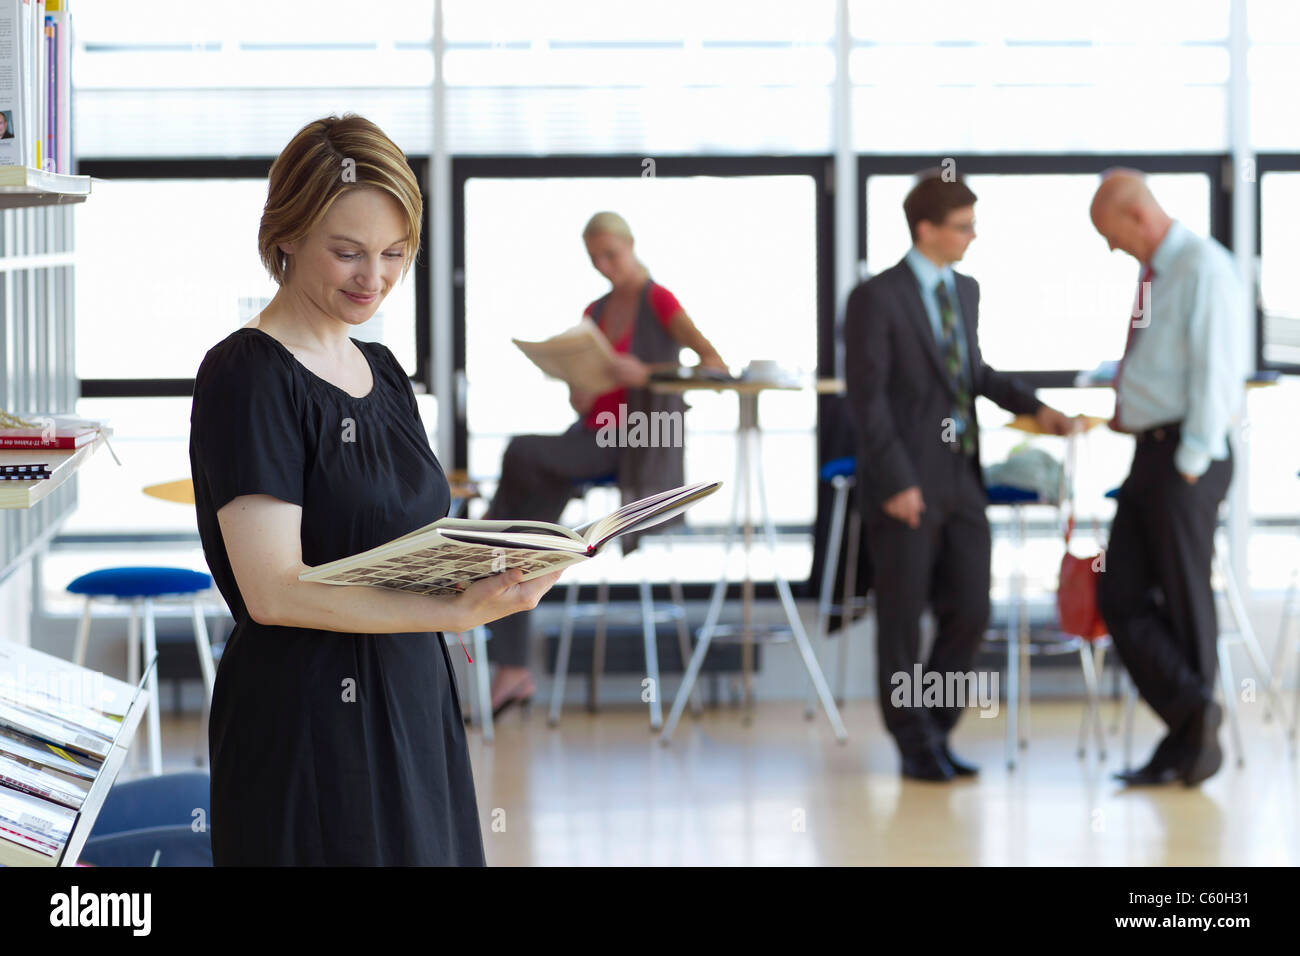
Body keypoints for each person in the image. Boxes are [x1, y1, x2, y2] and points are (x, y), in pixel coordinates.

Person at [189, 113, 563, 865]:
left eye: (395, 254)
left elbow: (403, 534)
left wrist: (486, 572)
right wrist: (449, 610)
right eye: (348, 252)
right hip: (306, 718)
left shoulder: (386, 372)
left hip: (414, 692)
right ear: (286, 236)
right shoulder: (248, 375)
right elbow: (274, 592)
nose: (374, 278)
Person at [843, 169, 1074, 782]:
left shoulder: (963, 290)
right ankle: (911, 742)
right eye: (963, 227)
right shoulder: (875, 297)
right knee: (901, 619)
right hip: (904, 484)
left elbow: (973, 372)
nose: (973, 236)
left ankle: (937, 730)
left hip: (961, 479)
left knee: (971, 607)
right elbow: (868, 401)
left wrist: (1036, 407)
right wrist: (895, 482)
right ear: (927, 229)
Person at [483, 211, 727, 715]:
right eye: (594, 258)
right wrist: (580, 390)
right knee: (520, 537)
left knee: (520, 452)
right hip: (591, 433)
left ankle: (485, 541)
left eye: (610, 255)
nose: (603, 265)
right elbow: (589, 391)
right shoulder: (594, 308)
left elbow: (714, 365)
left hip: (634, 440)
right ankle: (513, 666)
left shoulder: (658, 300)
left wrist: (646, 372)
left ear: (632, 245)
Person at [1091, 169, 1248, 787]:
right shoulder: (1156, 273)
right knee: (1120, 595)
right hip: (1153, 452)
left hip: (1188, 454)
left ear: (1135, 217)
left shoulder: (1203, 268)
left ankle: (1190, 743)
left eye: (1110, 235)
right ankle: (1193, 719)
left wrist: (1190, 461)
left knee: (1184, 602)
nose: (1110, 248)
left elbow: (1217, 371)